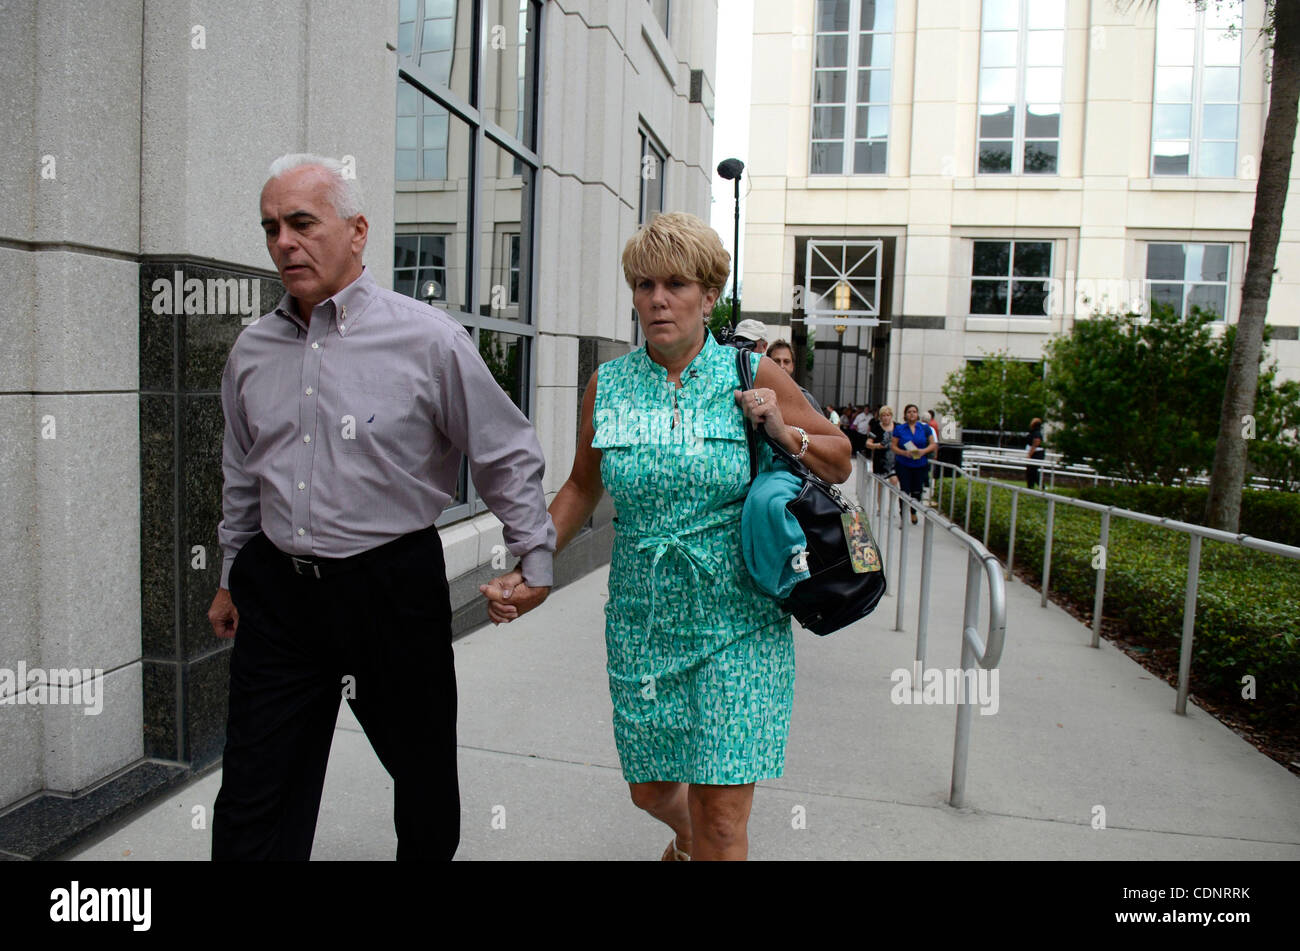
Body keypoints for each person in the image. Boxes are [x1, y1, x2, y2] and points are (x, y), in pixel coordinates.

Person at [207, 154, 556, 861]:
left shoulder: (428, 339)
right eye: (272, 228)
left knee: (424, 779)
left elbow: (502, 449)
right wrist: (229, 571)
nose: (284, 243)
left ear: (358, 229)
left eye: (302, 223)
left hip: (390, 588)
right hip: (278, 594)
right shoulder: (252, 349)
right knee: (252, 790)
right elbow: (242, 473)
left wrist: (537, 555)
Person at [482, 212, 851, 861]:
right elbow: (579, 488)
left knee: (723, 821)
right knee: (651, 788)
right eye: (645, 284)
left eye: (676, 284)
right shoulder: (611, 385)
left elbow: (839, 454)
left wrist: (777, 429)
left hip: (738, 618)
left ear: (709, 296)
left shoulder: (751, 374)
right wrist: (532, 564)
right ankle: (682, 834)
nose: (658, 298)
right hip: (643, 618)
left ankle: (701, 840)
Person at [891, 404, 938, 525]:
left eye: (914, 411)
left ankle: (913, 511)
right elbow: (893, 446)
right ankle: (903, 514)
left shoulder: (925, 428)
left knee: (917, 491)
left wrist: (924, 451)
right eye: (909, 412)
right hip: (904, 463)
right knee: (905, 490)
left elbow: (933, 444)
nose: (912, 414)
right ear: (905, 414)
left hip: (920, 463)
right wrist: (904, 452)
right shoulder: (900, 429)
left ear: (917, 414)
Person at [767, 339, 821, 413]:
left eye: (786, 361)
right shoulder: (757, 393)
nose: (781, 366)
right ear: (767, 364)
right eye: (776, 361)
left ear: (792, 366)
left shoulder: (806, 399)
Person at [866, 404, 901, 510]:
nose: (886, 417)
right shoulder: (876, 428)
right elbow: (868, 443)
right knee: (880, 485)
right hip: (880, 460)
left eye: (888, 415)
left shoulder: (898, 427)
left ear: (891, 416)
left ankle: (892, 506)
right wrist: (878, 446)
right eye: (883, 415)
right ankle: (880, 507)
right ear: (880, 417)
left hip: (894, 460)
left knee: (894, 481)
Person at [1026, 417, 1046, 488]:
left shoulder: (1036, 433)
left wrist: (1029, 454)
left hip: (1036, 454)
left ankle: (1042, 486)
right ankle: (1030, 486)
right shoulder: (1033, 432)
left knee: (1032, 471)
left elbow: (1036, 443)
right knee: (1031, 471)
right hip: (1034, 453)